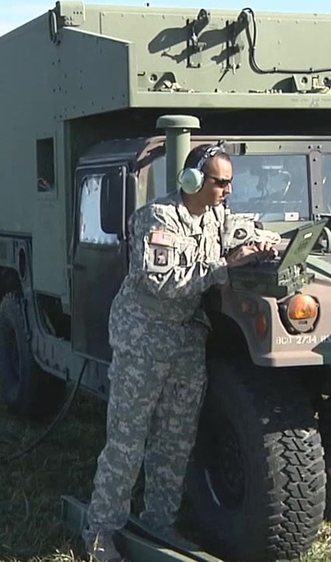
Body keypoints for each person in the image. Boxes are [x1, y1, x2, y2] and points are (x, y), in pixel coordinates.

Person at [81, 143, 278, 561]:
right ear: (192, 181)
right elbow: (164, 282)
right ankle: (100, 532)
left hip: (186, 339)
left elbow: (239, 229)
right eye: (220, 182)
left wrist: (264, 242)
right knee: (128, 440)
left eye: (229, 183)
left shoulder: (214, 215)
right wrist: (226, 267)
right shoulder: (159, 219)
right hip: (144, 339)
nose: (227, 190)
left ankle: (159, 523)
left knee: (175, 439)